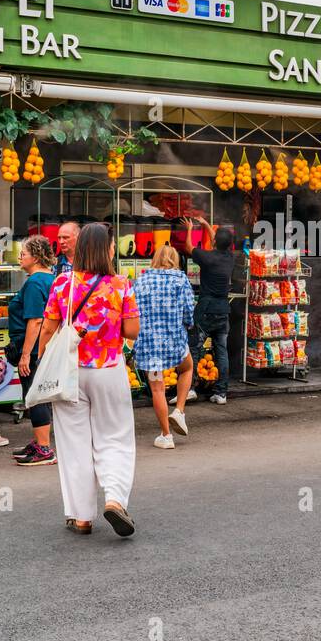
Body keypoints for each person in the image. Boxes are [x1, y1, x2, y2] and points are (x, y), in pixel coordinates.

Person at [38, 223, 140, 537]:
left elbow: (48, 329)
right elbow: (132, 331)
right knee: (115, 438)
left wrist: (43, 361)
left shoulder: (62, 283)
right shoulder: (121, 284)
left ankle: (81, 517)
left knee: (74, 443)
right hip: (108, 370)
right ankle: (114, 499)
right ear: (106, 250)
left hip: (70, 373)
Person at [133, 243, 195, 449]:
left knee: (157, 388)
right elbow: (188, 310)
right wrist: (187, 324)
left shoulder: (140, 281)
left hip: (150, 345)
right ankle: (179, 410)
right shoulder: (181, 279)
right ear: (174, 260)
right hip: (175, 340)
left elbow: (132, 311)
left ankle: (166, 436)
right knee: (187, 368)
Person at [7, 235, 56, 465]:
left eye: (24, 253)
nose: (20, 257)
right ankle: (40, 442)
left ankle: (44, 448)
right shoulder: (51, 279)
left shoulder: (35, 282)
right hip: (45, 347)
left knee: (34, 396)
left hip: (35, 348)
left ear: (35, 257)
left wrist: (26, 354)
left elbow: (35, 321)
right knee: (41, 395)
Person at [180, 216, 235, 405]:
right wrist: (205, 225)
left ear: (214, 242)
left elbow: (188, 247)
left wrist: (189, 228)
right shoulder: (229, 258)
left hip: (206, 309)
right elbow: (215, 242)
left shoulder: (208, 257)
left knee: (194, 346)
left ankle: (191, 388)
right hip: (223, 311)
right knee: (221, 351)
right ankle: (221, 393)